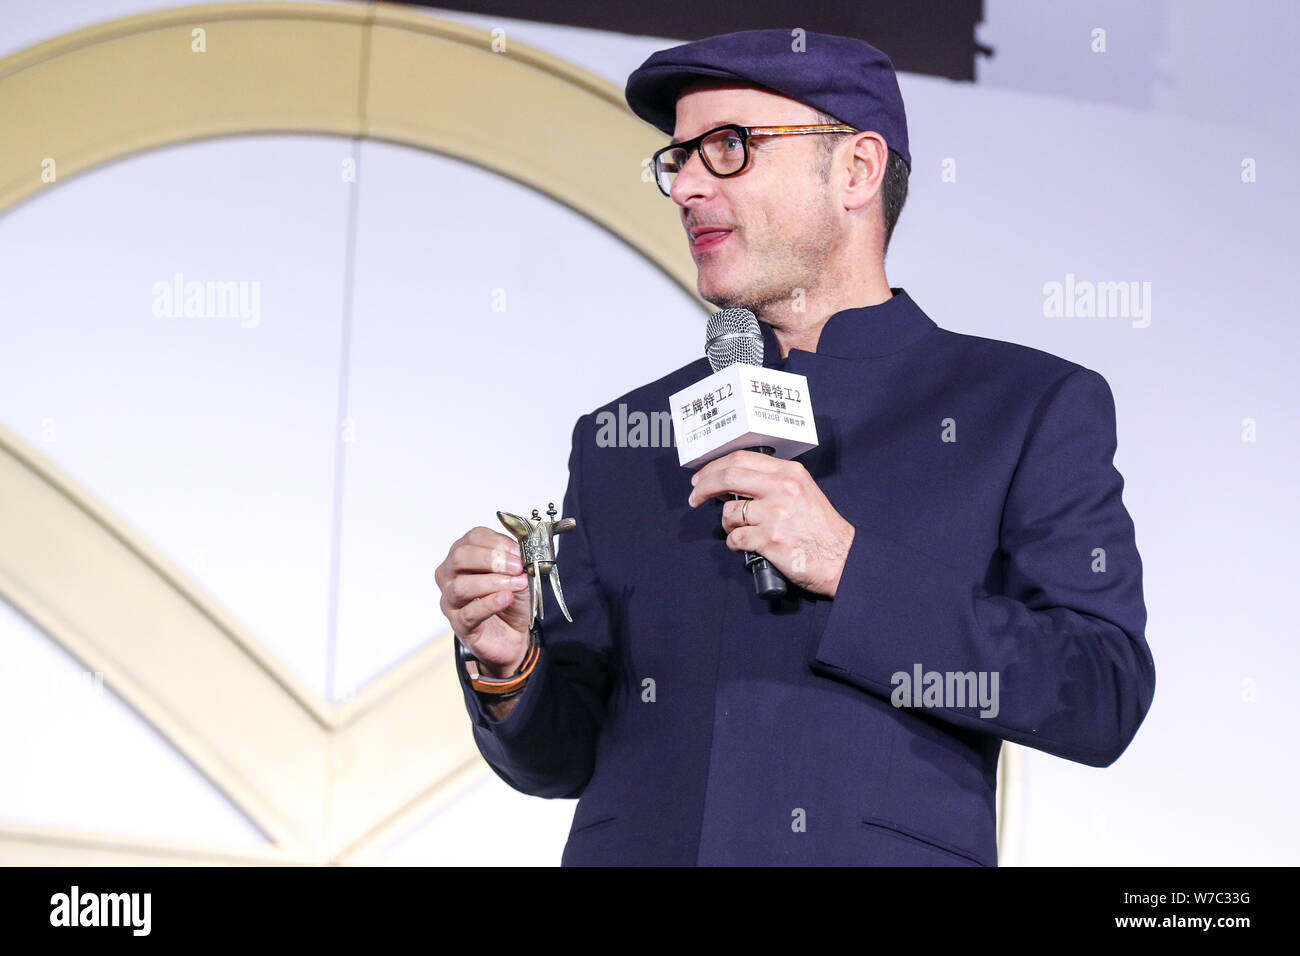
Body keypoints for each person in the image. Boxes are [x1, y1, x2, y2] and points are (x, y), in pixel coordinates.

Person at [435, 29, 1155, 866]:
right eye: (679, 159)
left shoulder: (1021, 408)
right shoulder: (621, 437)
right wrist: (511, 665)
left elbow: (1100, 692)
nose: (689, 186)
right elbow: (562, 757)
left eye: (729, 148)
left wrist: (852, 569)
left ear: (856, 169)